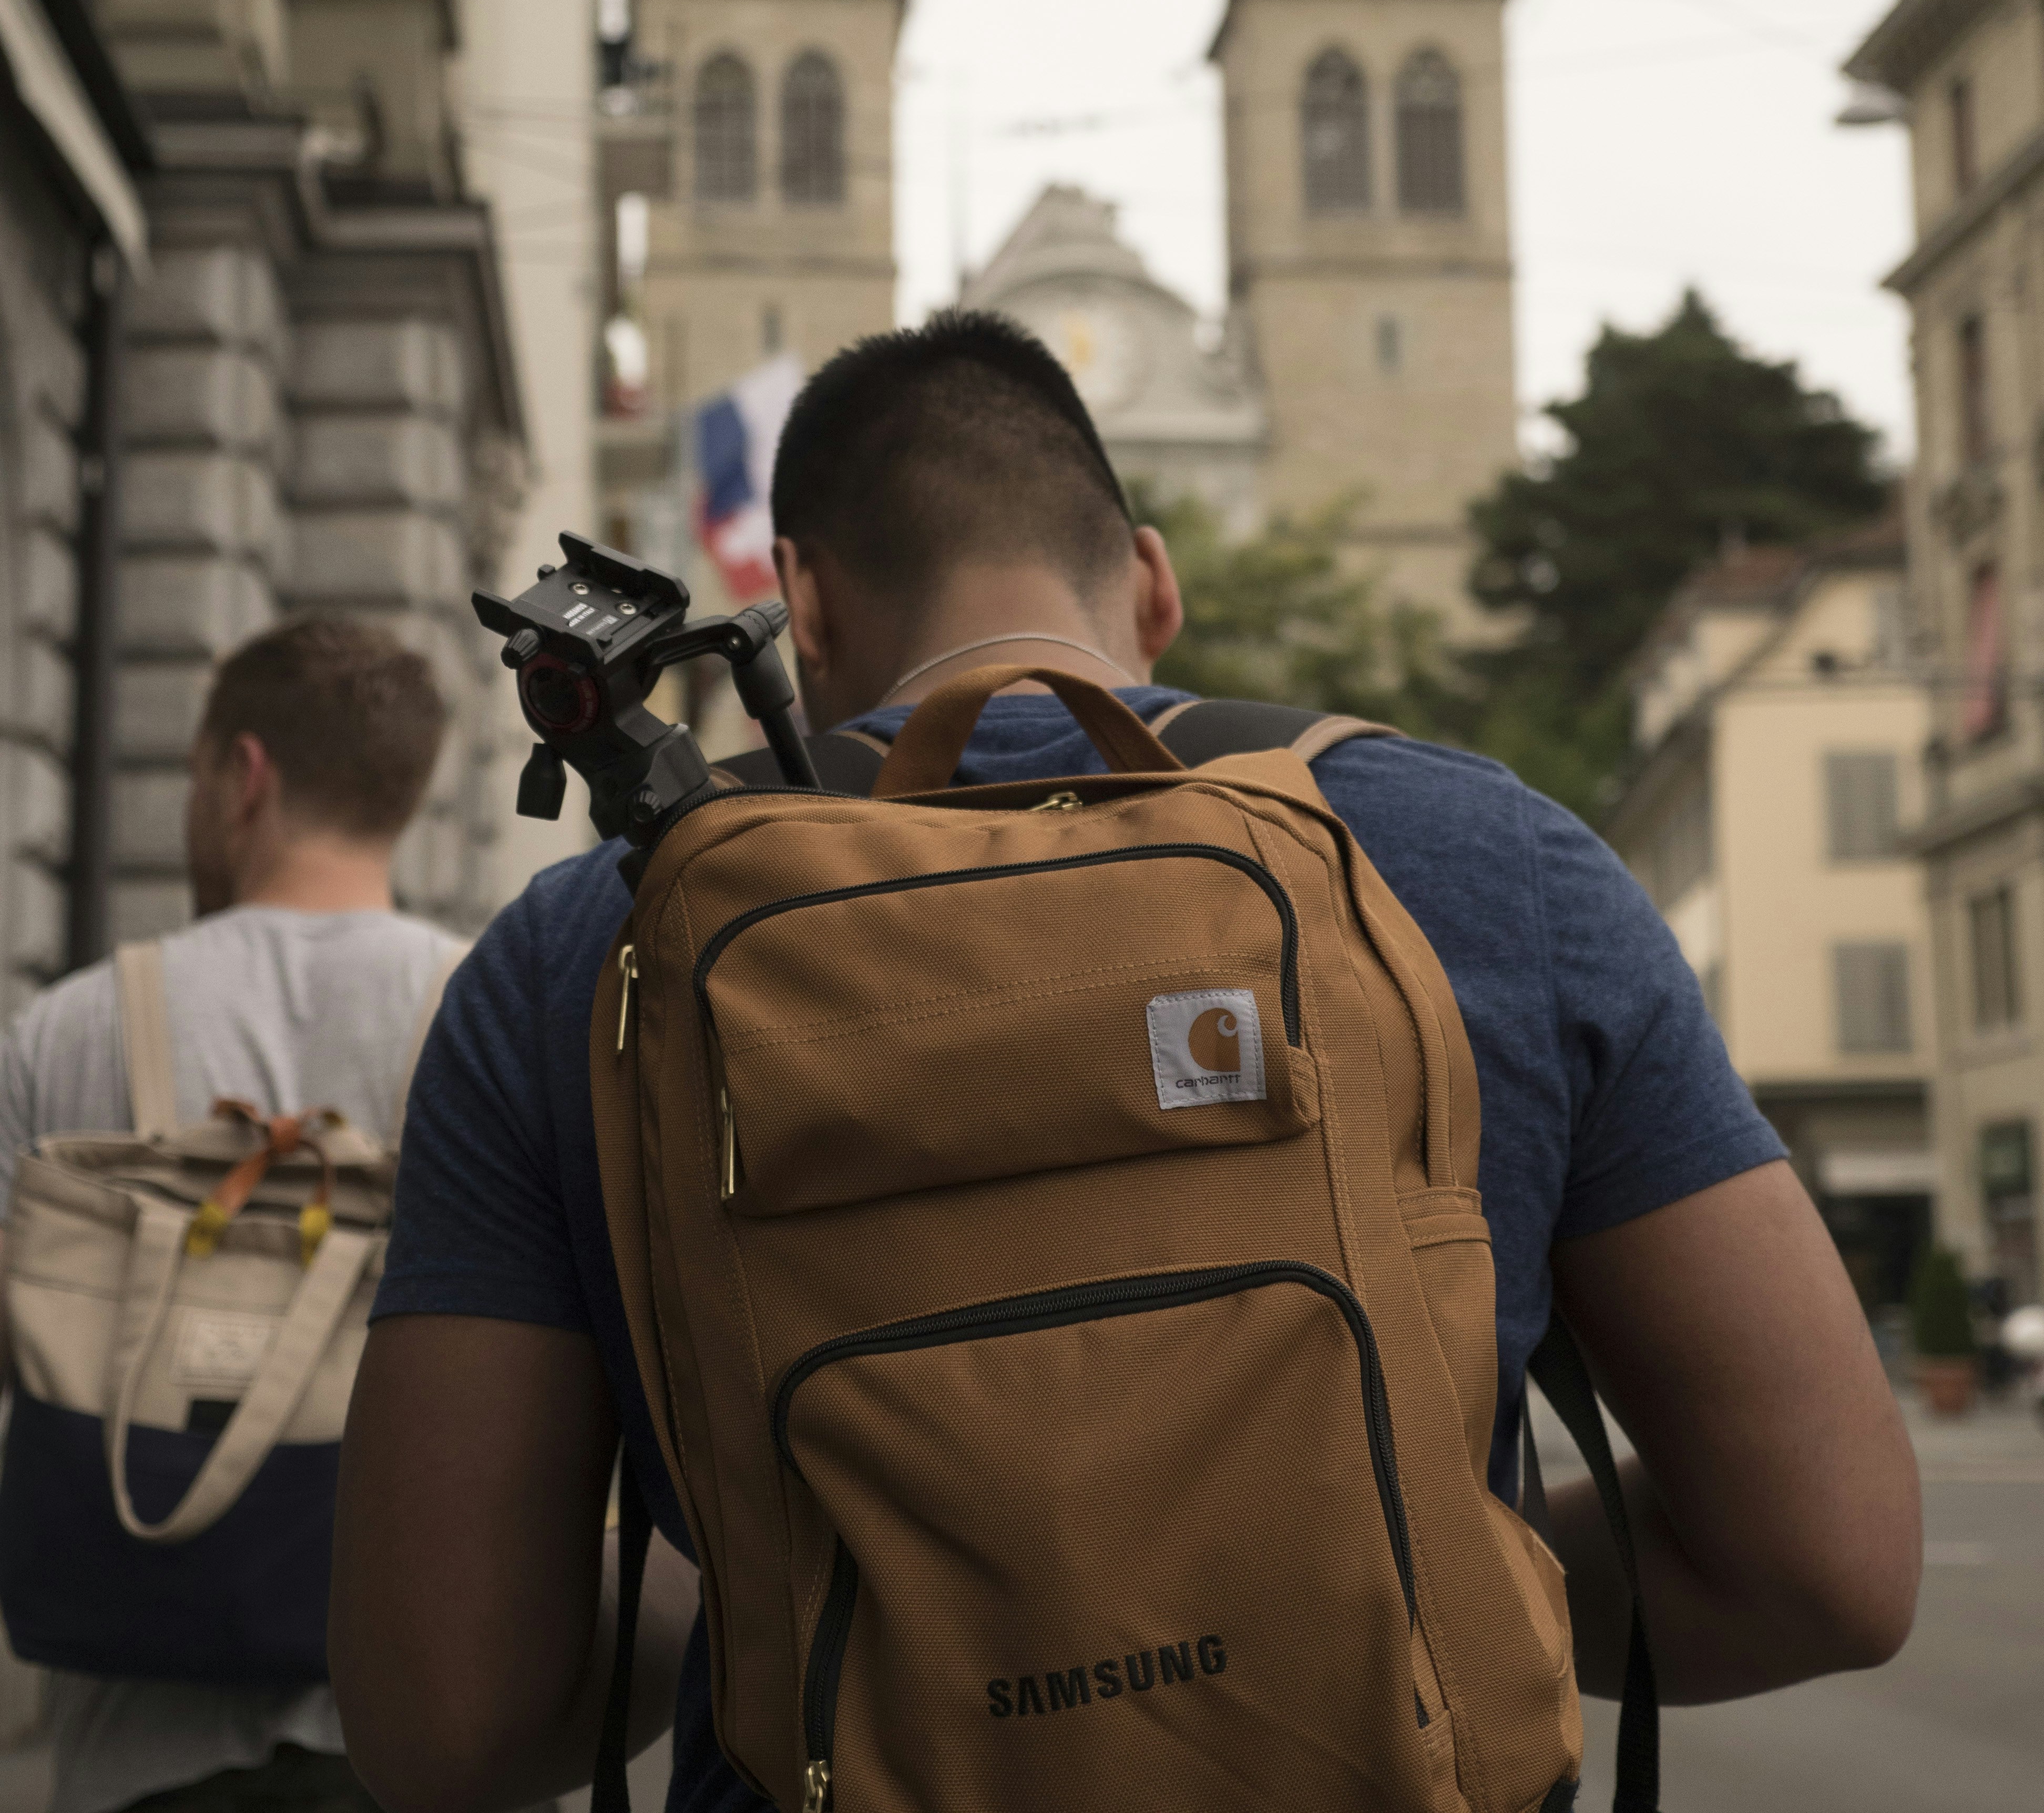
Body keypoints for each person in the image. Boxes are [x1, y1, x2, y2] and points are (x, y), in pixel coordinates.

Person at [331, 311, 1922, 1813]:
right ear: (1152, 588)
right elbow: (1823, 1565)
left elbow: (448, 1716)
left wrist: (839, 1618)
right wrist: (1361, 1590)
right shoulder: (1502, 859)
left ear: (799, 606)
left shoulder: (580, 952)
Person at [0, 616, 459, 1813]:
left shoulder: (73, 1029)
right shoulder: (490, 1019)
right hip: (427, 1735)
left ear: (239, 775)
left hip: (136, 1760)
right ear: (405, 791)